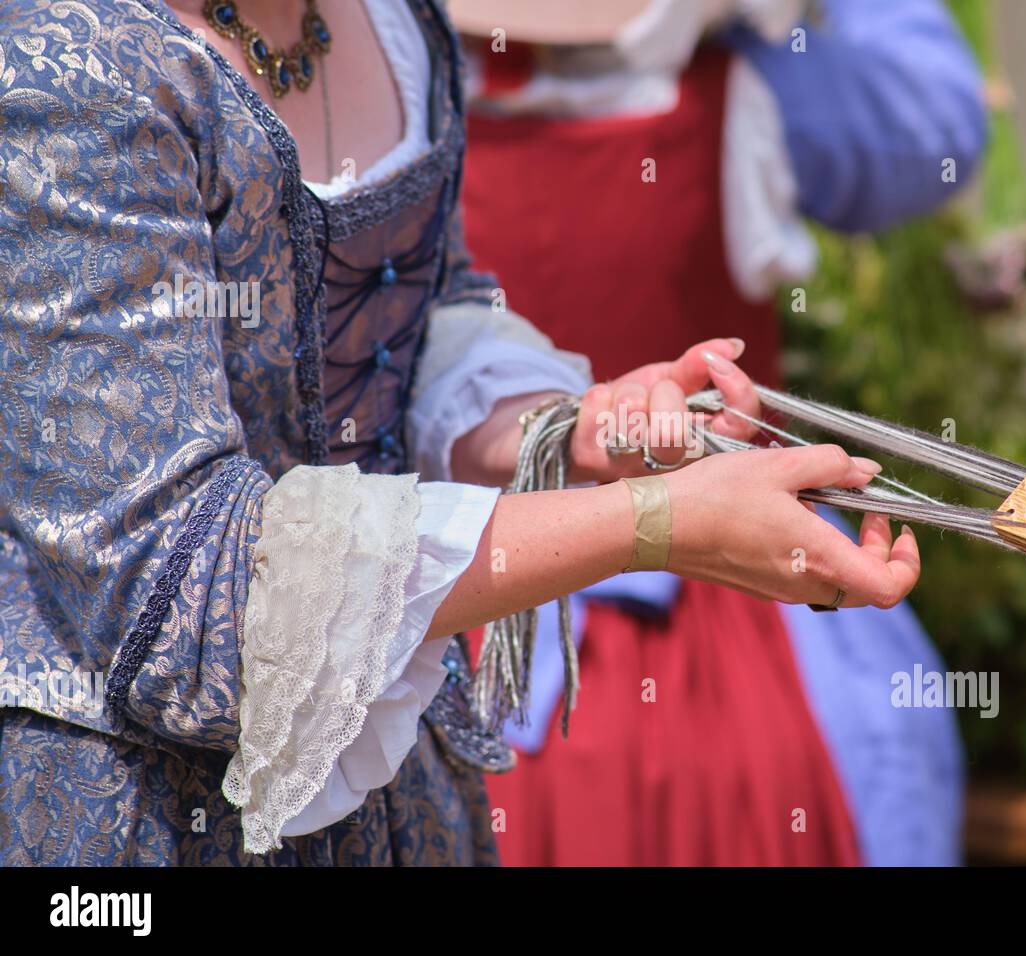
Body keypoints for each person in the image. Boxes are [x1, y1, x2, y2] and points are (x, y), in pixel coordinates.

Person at [0, 0, 919, 865]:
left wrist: (566, 429)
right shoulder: (72, 75)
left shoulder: (398, 21)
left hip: (405, 775)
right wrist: (653, 524)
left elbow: (419, 325)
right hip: (146, 814)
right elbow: (185, 593)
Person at [452, 0, 986, 864]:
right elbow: (938, 131)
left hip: (480, 591)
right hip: (735, 581)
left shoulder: (391, 119)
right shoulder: (754, 97)